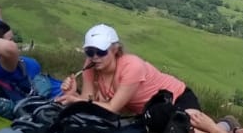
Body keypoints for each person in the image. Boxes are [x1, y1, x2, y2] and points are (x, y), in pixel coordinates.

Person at [56, 24, 200, 115]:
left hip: (177, 99)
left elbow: (112, 108)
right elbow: (87, 100)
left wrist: (76, 101)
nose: (94, 57)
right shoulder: (90, 64)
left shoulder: (132, 66)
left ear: (115, 49)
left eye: (100, 52)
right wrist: (73, 94)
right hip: (150, 112)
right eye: (89, 51)